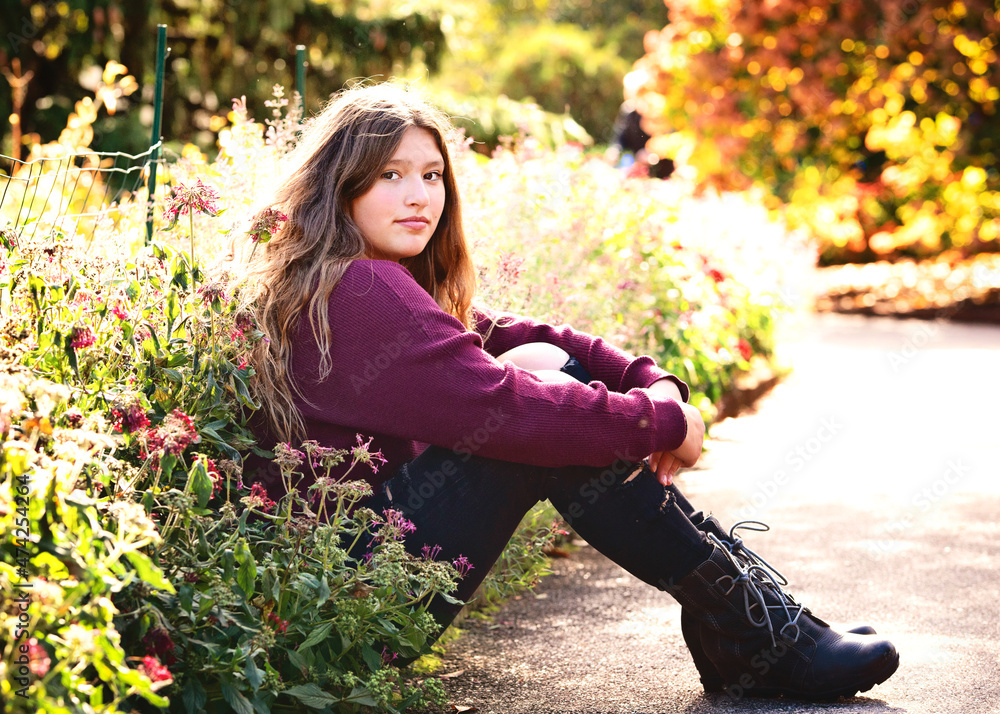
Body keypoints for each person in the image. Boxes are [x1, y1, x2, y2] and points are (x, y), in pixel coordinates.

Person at [236, 82, 899, 701]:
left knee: (547, 374)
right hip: (332, 624)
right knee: (541, 418)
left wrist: (653, 385)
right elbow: (510, 409)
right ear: (341, 184)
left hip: (345, 592)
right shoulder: (358, 288)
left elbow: (515, 333)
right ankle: (754, 632)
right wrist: (661, 424)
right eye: (391, 175)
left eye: (432, 175)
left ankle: (748, 626)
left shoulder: (351, 277)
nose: (419, 196)